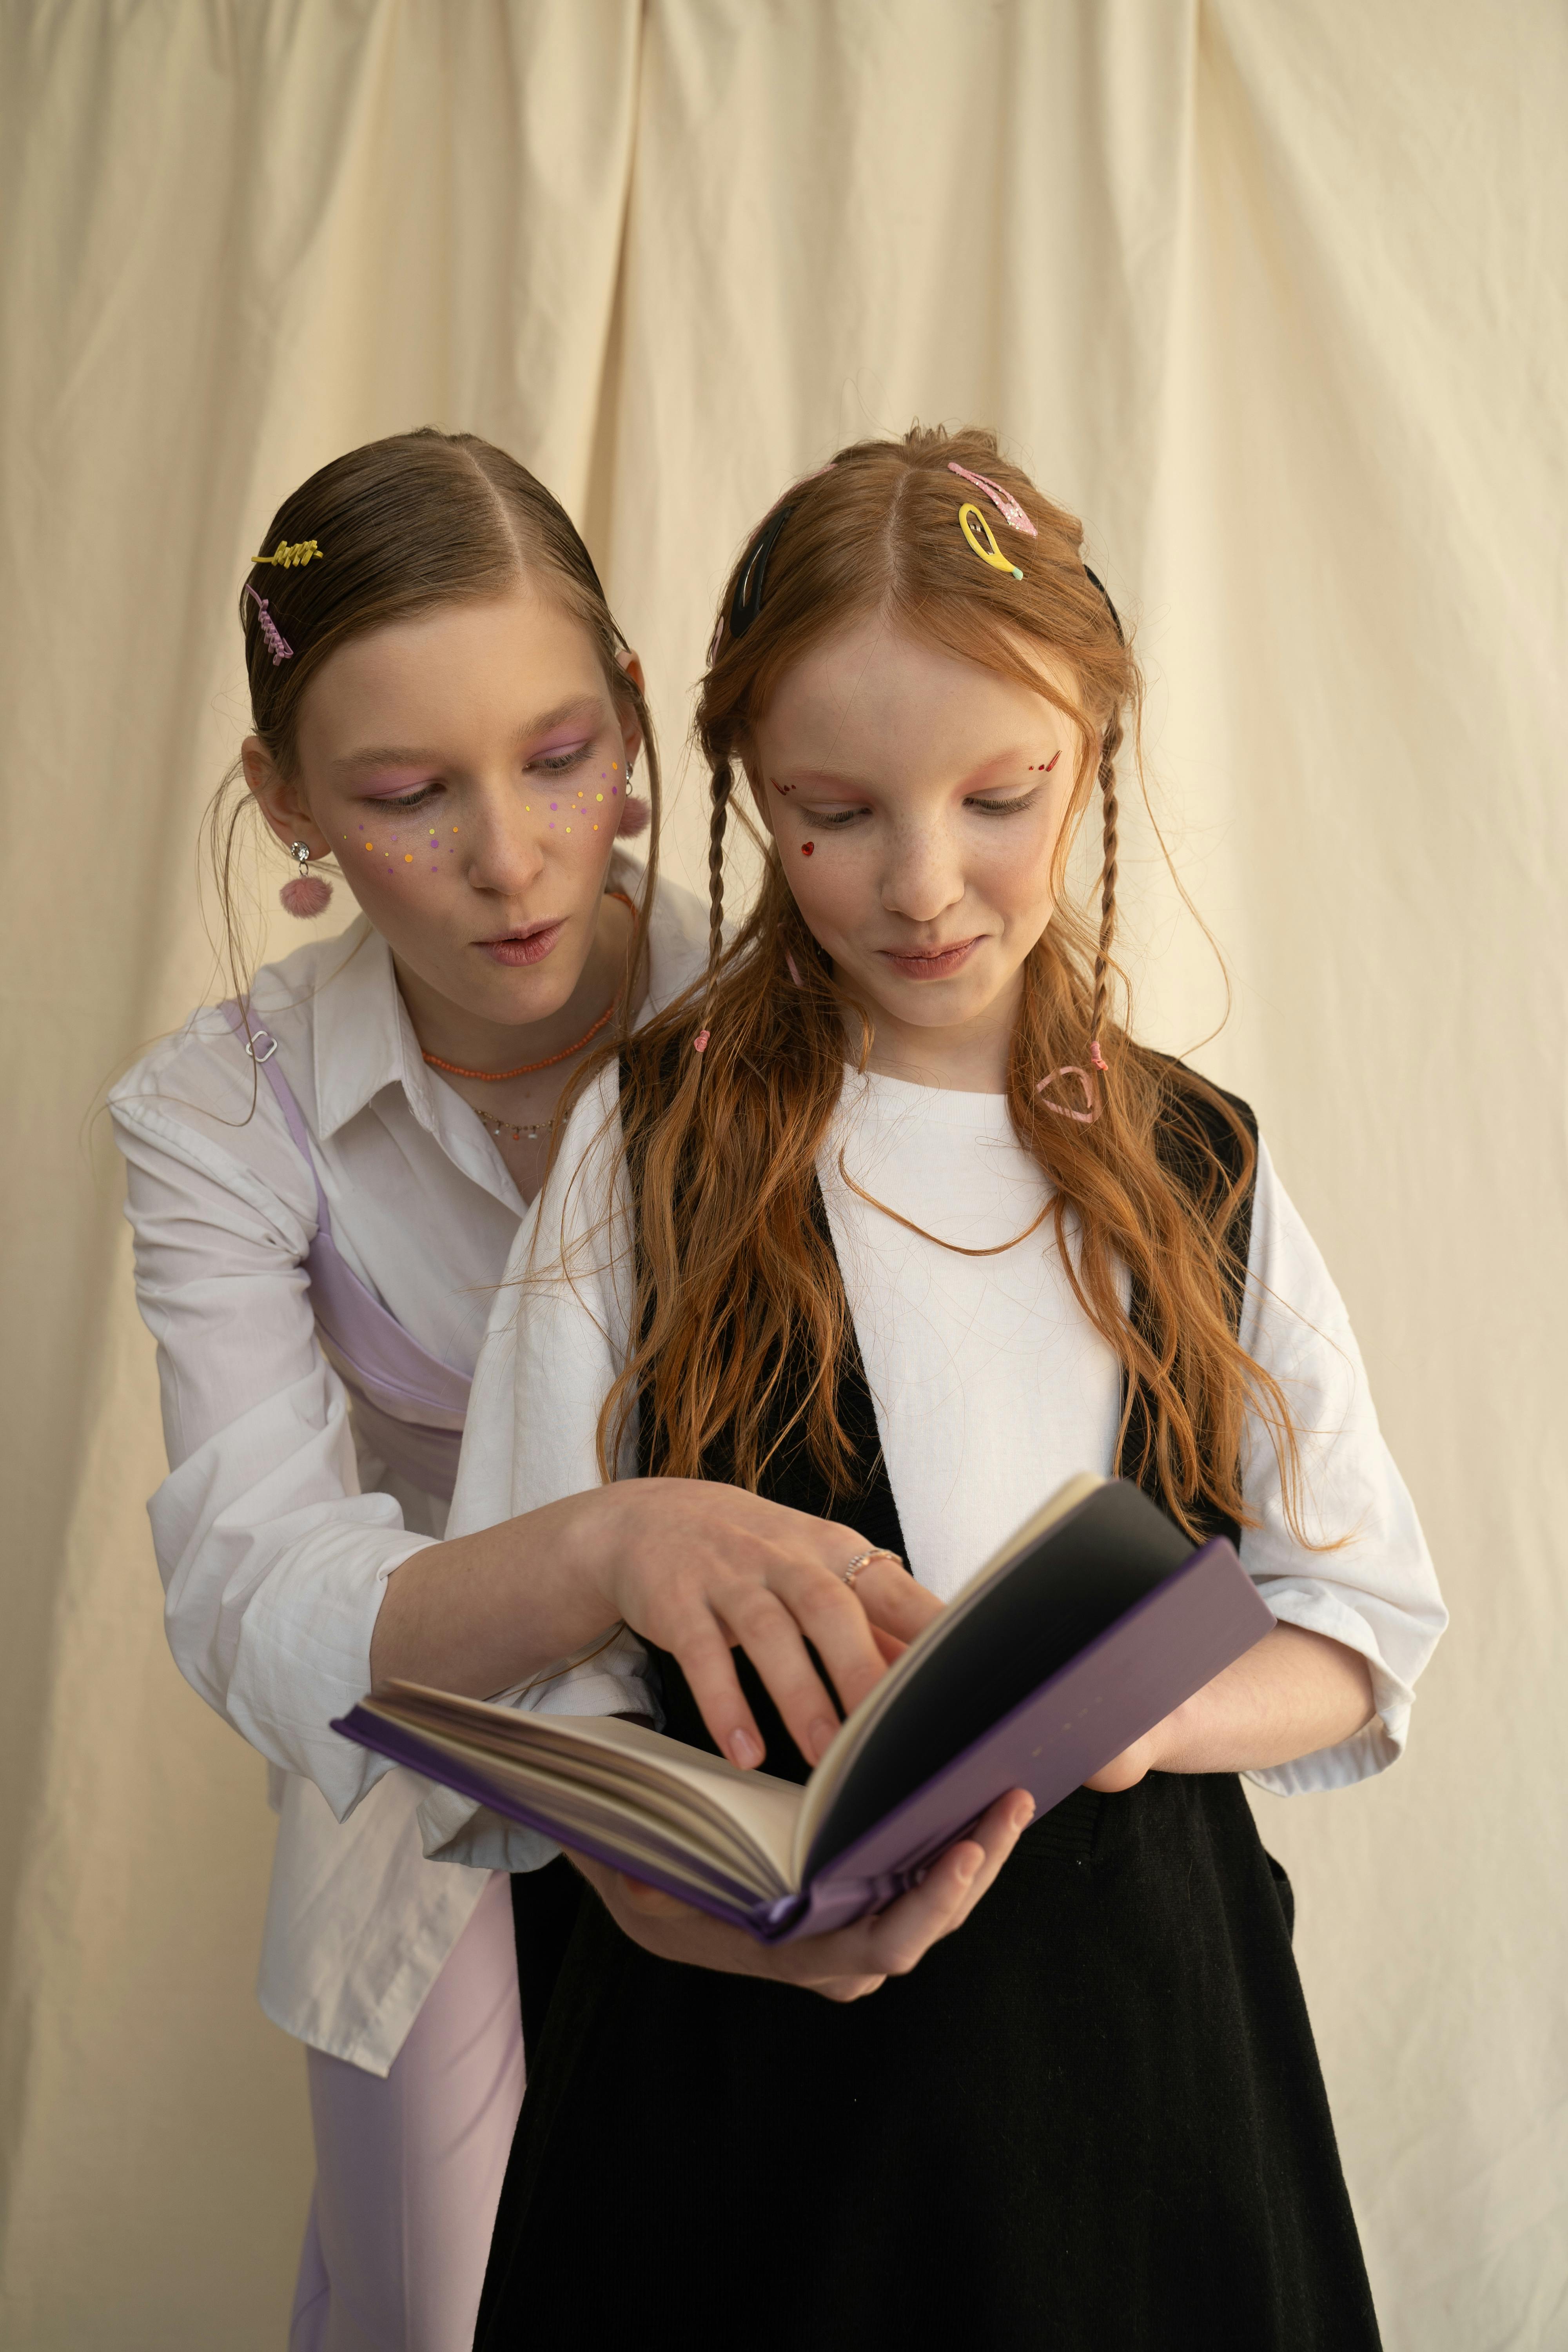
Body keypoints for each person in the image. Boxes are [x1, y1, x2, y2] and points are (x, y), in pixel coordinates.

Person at [440, 427, 1448, 2349]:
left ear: (1095, 752)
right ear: (742, 785)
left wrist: (1127, 1719)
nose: (923, 887)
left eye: (1001, 797)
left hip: (1140, 2089)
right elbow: (532, 1633)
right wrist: (639, 1863)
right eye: (832, 811)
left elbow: (1361, 1626)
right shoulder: (645, 1143)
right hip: (725, 2110)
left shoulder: (1195, 1162)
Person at [109, 428, 1024, 2352]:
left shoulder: (802, 1016)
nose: (510, 861)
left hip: (770, 1798)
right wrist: (609, 1544)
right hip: (424, 1810)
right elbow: (253, 1593)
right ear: (287, 807)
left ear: (633, 715)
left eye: (553, 759)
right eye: (403, 793)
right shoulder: (222, 1115)